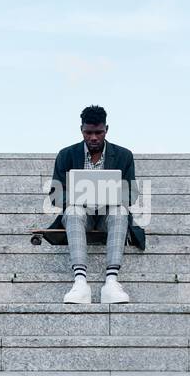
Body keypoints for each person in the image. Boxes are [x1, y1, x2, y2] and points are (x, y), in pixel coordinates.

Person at [46, 105, 145, 304]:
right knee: (73, 211)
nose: (93, 137)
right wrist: (81, 199)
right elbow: (55, 195)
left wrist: (110, 198)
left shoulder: (124, 156)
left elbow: (132, 194)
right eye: (88, 132)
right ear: (81, 130)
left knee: (119, 212)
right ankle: (80, 282)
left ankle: (112, 281)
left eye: (98, 132)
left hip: (108, 216)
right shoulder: (66, 155)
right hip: (81, 215)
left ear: (106, 129)